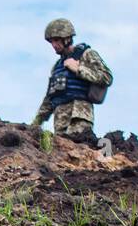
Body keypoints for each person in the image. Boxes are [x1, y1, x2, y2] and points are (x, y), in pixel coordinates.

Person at [29, 18, 112, 146]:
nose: (54, 45)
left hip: (79, 114)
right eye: (51, 42)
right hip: (60, 120)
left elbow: (106, 77)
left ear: (67, 38)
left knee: (79, 148)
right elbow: (50, 97)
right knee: (61, 151)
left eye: (57, 40)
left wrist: (78, 69)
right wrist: (36, 123)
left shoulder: (86, 54)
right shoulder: (57, 66)